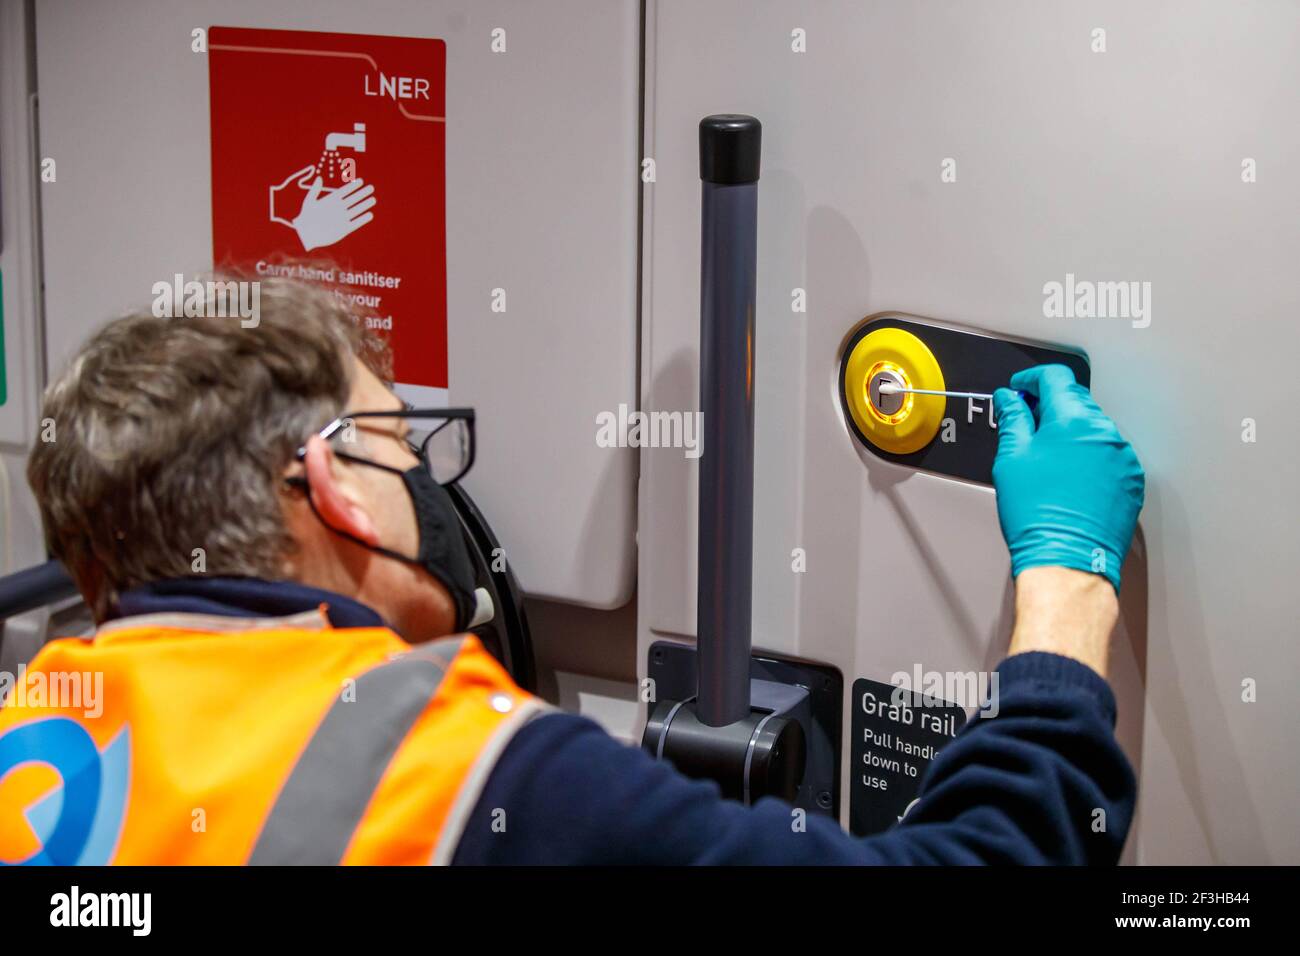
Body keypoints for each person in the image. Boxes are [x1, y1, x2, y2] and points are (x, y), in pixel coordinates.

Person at [1, 276, 1144, 865]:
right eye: (406, 443)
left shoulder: (34, 728)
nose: (428, 485)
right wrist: (1067, 577)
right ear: (337, 481)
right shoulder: (450, 770)